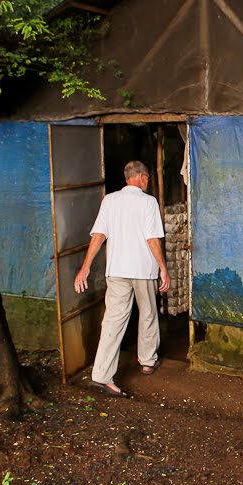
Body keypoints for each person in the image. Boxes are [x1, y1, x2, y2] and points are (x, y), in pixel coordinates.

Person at [74, 160, 171, 397]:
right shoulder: (148, 202)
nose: (147, 180)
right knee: (147, 312)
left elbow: (99, 235)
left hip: (116, 269)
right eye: (146, 177)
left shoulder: (110, 200)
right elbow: (152, 239)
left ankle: (101, 375)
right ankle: (147, 360)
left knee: (113, 321)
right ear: (140, 177)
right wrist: (163, 268)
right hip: (143, 269)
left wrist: (85, 267)